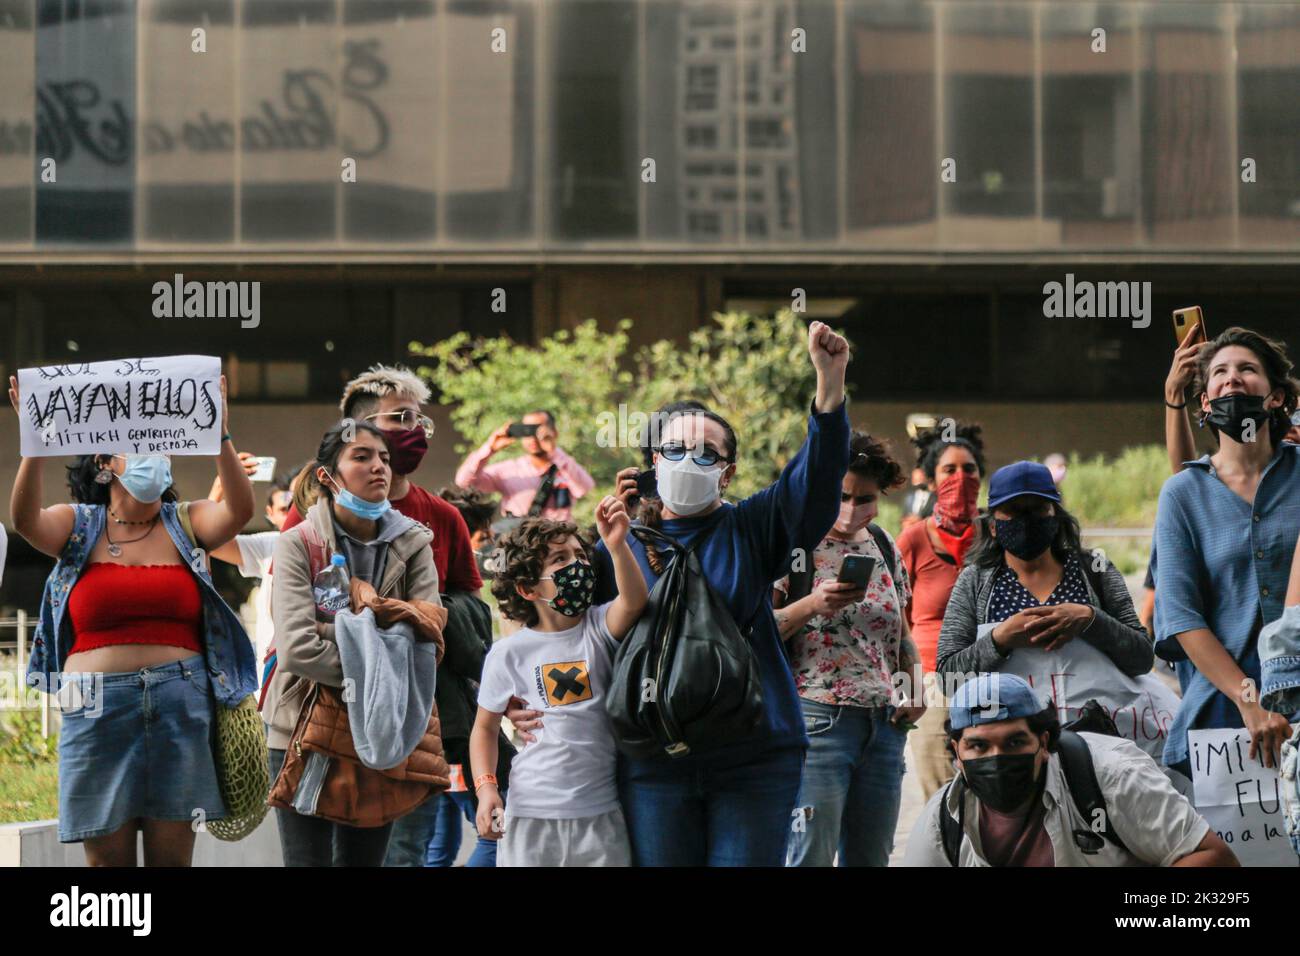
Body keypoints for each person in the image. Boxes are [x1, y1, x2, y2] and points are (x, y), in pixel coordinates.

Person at [529, 320, 850, 867]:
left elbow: (814, 483)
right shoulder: (615, 544)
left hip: (754, 755)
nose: (689, 461)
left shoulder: (753, 527)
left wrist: (830, 382)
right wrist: (529, 707)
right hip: (652, 762)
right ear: (653, 461)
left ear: (726, 474)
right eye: (675, 449)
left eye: (707, 454)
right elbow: (568, 637)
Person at [9, 372, 257, 866]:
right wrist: (33, 444)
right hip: (95, 709)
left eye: (160, 447)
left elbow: (240, 511)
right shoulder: (79, 524)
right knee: (106, 866)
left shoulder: (186, 521)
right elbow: (25, 521)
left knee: (172, 861)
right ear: (106, 463)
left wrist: (220, 435)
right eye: (139, 445)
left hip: (180, 702)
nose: (155, 457)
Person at [263, 419, 442, 866]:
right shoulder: (298, 544)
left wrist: (343, 628)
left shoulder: (415, 542)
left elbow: (429, 637)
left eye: (382, 457)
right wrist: (383, 637)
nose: (378, 466)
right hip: (302, 730)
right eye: (361, 457)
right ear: (328, 475)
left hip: (382, 728)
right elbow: (298, 648)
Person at [937, 461, 1169, 761]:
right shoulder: (976, 580)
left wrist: (1090, 619)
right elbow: (947, 677)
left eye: (1038, 509)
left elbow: (1141, 657)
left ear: (1056, 516)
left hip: (1100, 750)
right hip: (1012, 755)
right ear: (992, 525)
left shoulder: (1094, 569)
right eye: (1014, 511)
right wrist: (1000, 640)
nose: (1027, 520)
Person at [1153, 327, 1300, 777]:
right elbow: (1180, 617)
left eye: (1247, 369)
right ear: (1205, 402)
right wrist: (1249, 700)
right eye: (1219, 372)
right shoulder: (1182, 494)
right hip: (1221, 717)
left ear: (1275, 397)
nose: (1232, 379)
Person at [772, 431, 924, 867]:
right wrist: (811, 605)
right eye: (841, 495)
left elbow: (902, 632)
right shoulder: (794, 543)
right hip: (818, 721)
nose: (851, 509)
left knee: (872, 857)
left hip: (884, 724)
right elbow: (760, 631)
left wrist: (914, 686)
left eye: (865, 498)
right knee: (810, 855)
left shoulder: (882, 544)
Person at [470, 500, 648, 866]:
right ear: (527, 589)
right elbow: (484, 729)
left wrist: (616, 545)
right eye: (560, 560)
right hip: (531, 811)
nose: (577, 565)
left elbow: (634, 601)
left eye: (580, 556)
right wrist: (487, 788)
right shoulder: (508, 653)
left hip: (599, 812)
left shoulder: (599, 627)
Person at [902, 673, 1237, 867]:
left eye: (1015, 743)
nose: (997, 757)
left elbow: (1215, 858)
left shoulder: (1112, 776)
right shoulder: (943, 820)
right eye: (979, 746)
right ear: (956, 755)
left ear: (1044, 743)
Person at [281, 365, 482, 595]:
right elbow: (284, 602)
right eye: (403, 417)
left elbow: (473, 610)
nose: (415, 429)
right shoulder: (313, 511)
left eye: (420, 421)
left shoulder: (446, 517)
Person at [896, 421, 987, 799]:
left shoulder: (997, 534)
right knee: (942, 796)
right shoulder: (913, 539)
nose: (961, 478)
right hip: (933, 678)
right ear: (930, 481)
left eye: (970, 469)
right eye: (949, 470)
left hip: (990, 673)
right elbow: (897, 617)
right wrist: (907, 682)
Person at [206, 457, 300, 667]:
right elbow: (207, 539)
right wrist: (221, 487)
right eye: (285, 509)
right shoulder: (271, 545)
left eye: (299, 505)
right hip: (272, 683)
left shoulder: (335, 547)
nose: (293, 515)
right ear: (270, 514)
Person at [455, 410, 594, 523]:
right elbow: (464, 481)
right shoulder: (509, 469)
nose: (532, 438)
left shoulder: (565, 466)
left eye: (538, 430)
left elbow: (584, 488)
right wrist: (489, 448)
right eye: (527, 431)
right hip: (522, 545)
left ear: (554, 432)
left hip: (560, 543)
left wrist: (554, 451)